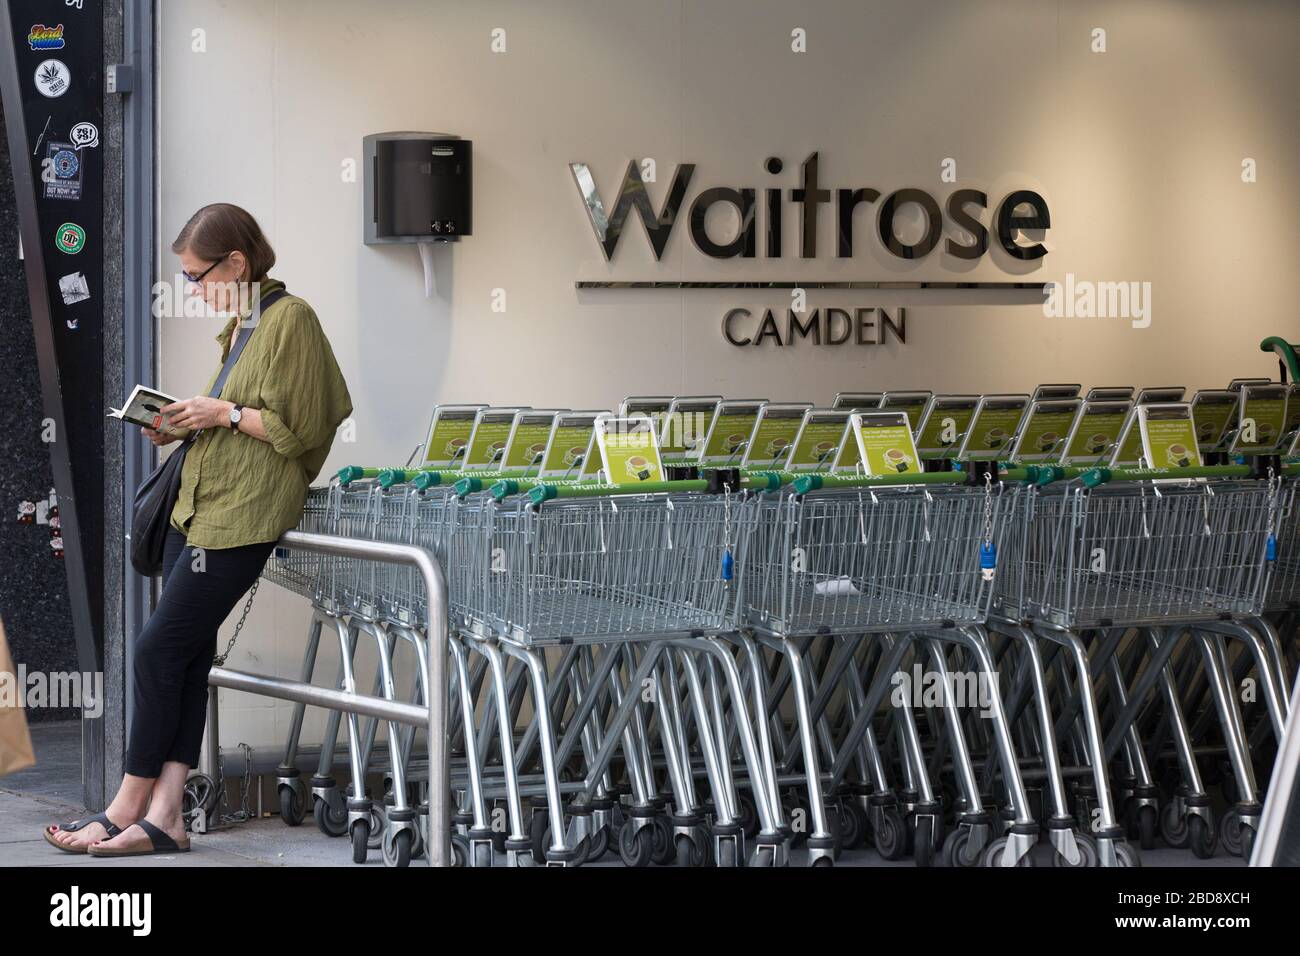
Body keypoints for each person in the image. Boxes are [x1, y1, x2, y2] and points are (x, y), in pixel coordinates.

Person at [44, 203, 353, 856]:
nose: (192, 289)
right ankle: (167, 817)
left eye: (196, 275)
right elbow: (236, 418)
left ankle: (127, 802)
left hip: (240, 516)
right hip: (200, 506)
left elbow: (303, 428)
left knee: (158, 650)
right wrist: (182, 421)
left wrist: (228, 410)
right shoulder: (244, 324)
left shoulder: (288, 319)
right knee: (183, 658)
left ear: (236, 263)